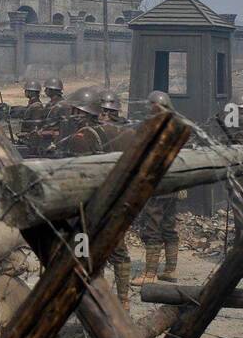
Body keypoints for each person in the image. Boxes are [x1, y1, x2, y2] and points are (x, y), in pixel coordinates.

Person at [63, 90, 133, 308]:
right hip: (118, 199)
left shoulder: (82, 137)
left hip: (91, 203)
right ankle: (123, 301)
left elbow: (79, 176)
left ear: (80, 110)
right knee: (118, 249)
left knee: (86, 250)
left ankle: (92, 297)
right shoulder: (125, 132)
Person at [134, 91, 181, 287]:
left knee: (152, 226)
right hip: (173, 184)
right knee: (169, 227)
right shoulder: (176, 125)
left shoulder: (153, 127)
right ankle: (170, 269)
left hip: (156, 185)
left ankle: (150, 273)